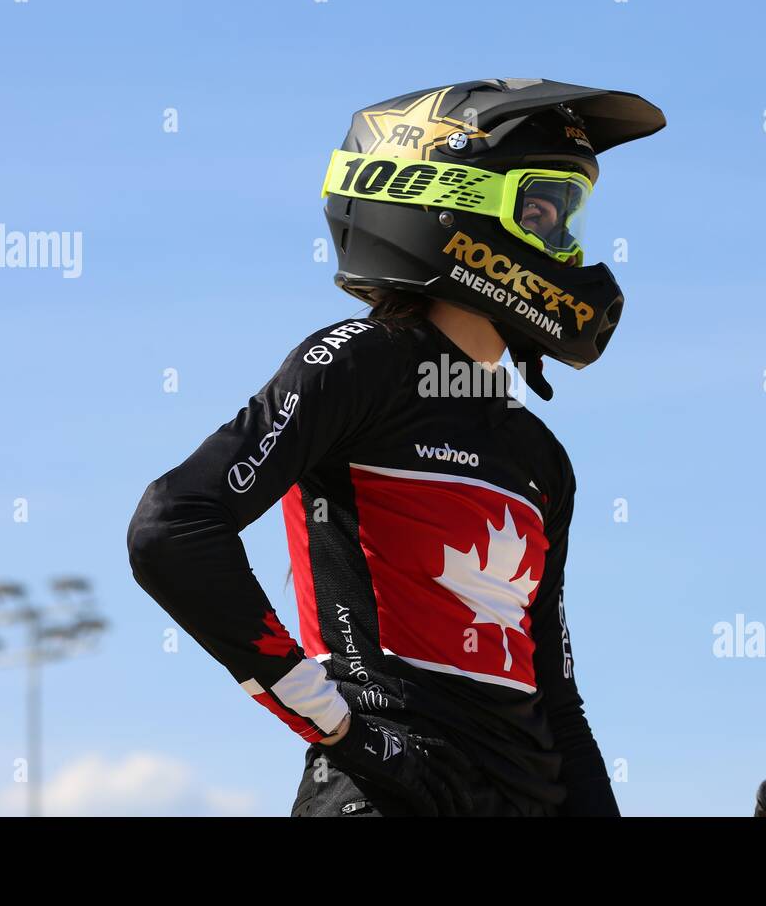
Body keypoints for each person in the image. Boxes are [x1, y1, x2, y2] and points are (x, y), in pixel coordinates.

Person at [127, 78, 666, 816]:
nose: (565, 246)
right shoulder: (359, 363)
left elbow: (556, 698)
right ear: (449, 202)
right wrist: (338, 726)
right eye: (542, 211)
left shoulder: (541, 456)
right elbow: (174, 529)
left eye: (567, 216)